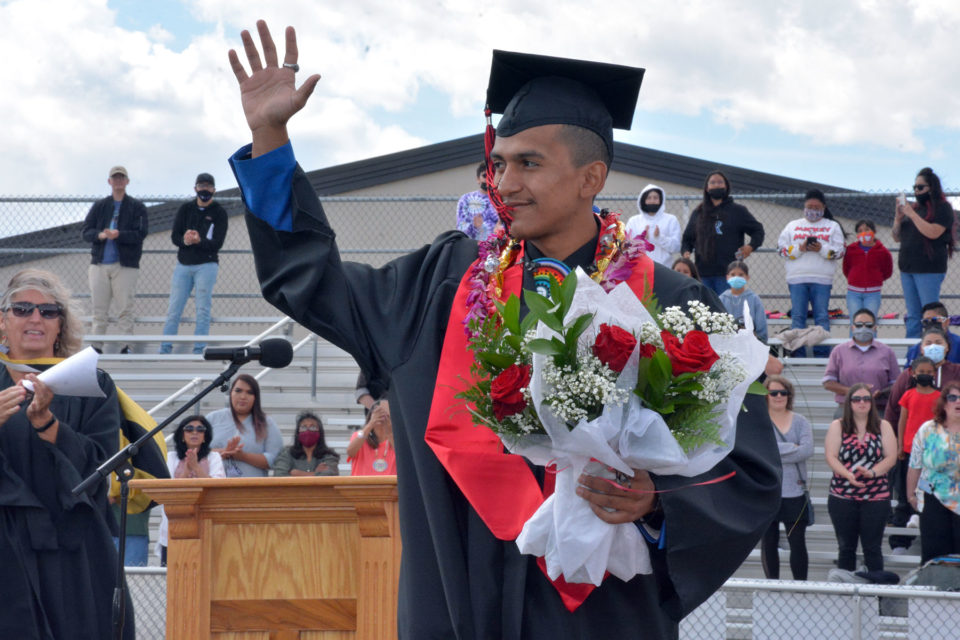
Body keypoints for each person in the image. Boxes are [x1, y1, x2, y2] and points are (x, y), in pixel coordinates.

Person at [226, 24, 780, 639]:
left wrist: (658, 499)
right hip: (458, 606)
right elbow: (313, 281)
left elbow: (746, 469)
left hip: (605, 616)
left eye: (528, 163)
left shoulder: (673, 304)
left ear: (591, 178)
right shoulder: (439, 287)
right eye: (499, 164)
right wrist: (270, 138)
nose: (504, 184)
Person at [0, 268, 134, 638]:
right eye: (22, 308)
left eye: (48, 311)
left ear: (61, 325)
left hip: (71, 546)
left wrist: (48, 424)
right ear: (3, 320)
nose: (35, 318)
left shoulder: (91, 384)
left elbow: (100, 466)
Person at [825, 384, 897, 574]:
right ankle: (845, 590)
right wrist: (847, 474)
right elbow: (831, 456)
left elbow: (891, 457)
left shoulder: (883, 425)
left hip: (876, 496)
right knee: (846, 548)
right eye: (856, 399)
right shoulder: (838, 425)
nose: (862, 403)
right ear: (849, 403)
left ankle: (876, 590)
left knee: (872, 548)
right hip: (842, 494)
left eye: (866, 398)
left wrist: (872, 472)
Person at [81, 166, 149, 354]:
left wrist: (119, 235)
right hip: (100, 264)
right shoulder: (100, 206)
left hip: (125, 265)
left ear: (127, 181)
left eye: (121, 178)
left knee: (125, 308)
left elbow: (141, 233)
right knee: (99, 310)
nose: (118, 181)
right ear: (109, 181)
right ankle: (96, 347)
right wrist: (101, 235)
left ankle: (126, 345)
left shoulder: (137, 207)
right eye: (115, 178)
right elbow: (86, 231)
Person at [159, 172, 229, 354]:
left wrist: (199, 241)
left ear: (214, 190)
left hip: (206, 266)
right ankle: (165, 349)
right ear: (195, 188)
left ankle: (199, 349)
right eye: (201, 186)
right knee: (174, 309)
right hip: (183, 265)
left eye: (208, 186)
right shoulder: (185, 209)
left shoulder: (219, 212)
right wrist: (186, 240)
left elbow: (217, 243)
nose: (204, 189)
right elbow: (175, 236)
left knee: (203, 309)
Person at [777, 189, 845, 358]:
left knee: (821, 317)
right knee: (798, 317)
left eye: (816, 207)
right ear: (804, 207)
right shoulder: (792, 225)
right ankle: (798, 354)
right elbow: (781, 250)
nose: (813, 210)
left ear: (824, 207)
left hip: (822, 280)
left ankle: (822, 355)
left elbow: (840, 251)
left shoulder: (832, 226)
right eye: (809, 207)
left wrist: (822, 249)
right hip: (796, 279)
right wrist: (799, 249)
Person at [893, 167, 955, 338]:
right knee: (913, 315)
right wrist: (898, 219)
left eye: (920, 187)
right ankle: (913, 350)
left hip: (929, 269)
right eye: (914, 188)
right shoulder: (914, 208)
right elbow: (896, 237)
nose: (916, 191)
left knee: (930, 314)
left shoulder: (942, 208)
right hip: (907, 268)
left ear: (932, 188)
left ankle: (936, 346)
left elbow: (933, 232)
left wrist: (912, 214)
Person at [761, 375, 813, 580]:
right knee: (768, 542)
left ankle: (800, 587)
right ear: (766, 395)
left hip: (795, 490)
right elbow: (760, 451)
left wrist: (774, 451)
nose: (779, 396)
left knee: (797, 542)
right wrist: (793, 447)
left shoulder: (801, 421)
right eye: (773, 392)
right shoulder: (760, 421)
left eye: (783, 392)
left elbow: (806, 450)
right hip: (767, 489)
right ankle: (771, 587)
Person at [681, 170, 764, 295]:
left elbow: (758, 230)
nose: (716, 185)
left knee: (726, 307)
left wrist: (751, 246)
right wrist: (686, 251)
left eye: (720, 182)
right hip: (702, 274)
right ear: (707, 188)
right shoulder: (698, 212)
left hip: (729, 274)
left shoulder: (738, 211)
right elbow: (687, 238)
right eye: (712, 183)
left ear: (726, 187)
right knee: (704, 307)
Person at [157, 415, 225, 566]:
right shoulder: (171, 457)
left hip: (206, 524)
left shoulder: (214, 457)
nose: (195, 432)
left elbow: (217, 487)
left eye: (200, 429)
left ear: (205, 436)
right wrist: (187, 470)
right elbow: (169, 490)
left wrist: (196, 467)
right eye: (189, 429)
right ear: (182, 435)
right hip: (174, 525)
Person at [907, 382, 960, 563]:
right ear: (944, 403)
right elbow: (915, 464)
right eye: (952, 398)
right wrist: (910, 495)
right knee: (934, 555)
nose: (958, 401)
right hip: (932, 496)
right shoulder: (927, 429)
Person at [822, 309, 900, 417]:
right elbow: (828, 383)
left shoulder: (887, 351)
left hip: (877, 409)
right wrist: (853, 392)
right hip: (847, 409)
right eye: (859, 325)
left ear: (875, 327)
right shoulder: (839, 351)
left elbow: (896, 384)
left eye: (868, 325)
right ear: (852, 327)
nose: (863, 328)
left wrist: (881, 393)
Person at [208, 373, 283, 477]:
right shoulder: (213, 418)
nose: (243, 396)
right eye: (238, 391)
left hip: (252, 485)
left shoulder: (267, 423)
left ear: (255, 397)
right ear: (231, 393)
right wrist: (223, 452)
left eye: (249, 392)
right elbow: (197, 451)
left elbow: (275, 460)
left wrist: (243, 456)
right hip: (214, 485)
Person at [842, 219, 892, 320]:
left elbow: (887, 271)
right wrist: (854, 279)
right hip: (854, 293)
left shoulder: (883, 251)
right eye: (860, 231)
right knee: (855, 321)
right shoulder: (851, 249)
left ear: (874, 231)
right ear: (857, 234)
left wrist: (876, 279)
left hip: (873, 293)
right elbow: (846, 268)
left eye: (867, 229)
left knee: (870, 321)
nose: (863, 233)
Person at [625, 184, 681, 266]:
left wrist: (659, 238)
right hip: (640, 267)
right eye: (649, 198)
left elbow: (676, 248)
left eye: (655, 198)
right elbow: (626, 247)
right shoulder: (633, 221)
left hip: (665, 267)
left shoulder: (671, 220)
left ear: (661, 200)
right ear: (643, 200)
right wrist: (641, 241)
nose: (652, 201)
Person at [273, 411, 340, 476]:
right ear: (298, 432)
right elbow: (279, 475)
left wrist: (297, 474)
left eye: (313, 427)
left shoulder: (329, 455)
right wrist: (315, 474)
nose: (308, 431)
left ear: (320, 432)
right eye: (303, 427)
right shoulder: (287, 454)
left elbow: (329, 475)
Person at [719, 260, 767, 342]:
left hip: (750, 342)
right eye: (733, 275)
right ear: (727, 277)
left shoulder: (754, 299)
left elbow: (761, 325)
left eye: (741, 275)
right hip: (727, 342)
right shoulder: (722, 299)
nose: (736, 278)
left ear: (747, 277)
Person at [346, 399, 396, 476]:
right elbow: (350, 452)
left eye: (388, 415)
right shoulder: (360, 435)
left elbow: (404, 459)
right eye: (379, 413)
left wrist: (389, 433)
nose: (383, 417)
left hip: (391, 483)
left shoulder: (397, 440)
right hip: (363, 483)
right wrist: (370, 424)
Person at [456, 162, 500, 241]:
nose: (488, 179)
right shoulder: (466, 199)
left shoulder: (503, 199)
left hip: (499, 246)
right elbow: (460, 228)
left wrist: (500, 227)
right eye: (485, 176)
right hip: (474, 246)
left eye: (492, 176)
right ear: (478, 179)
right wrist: (474, 226)